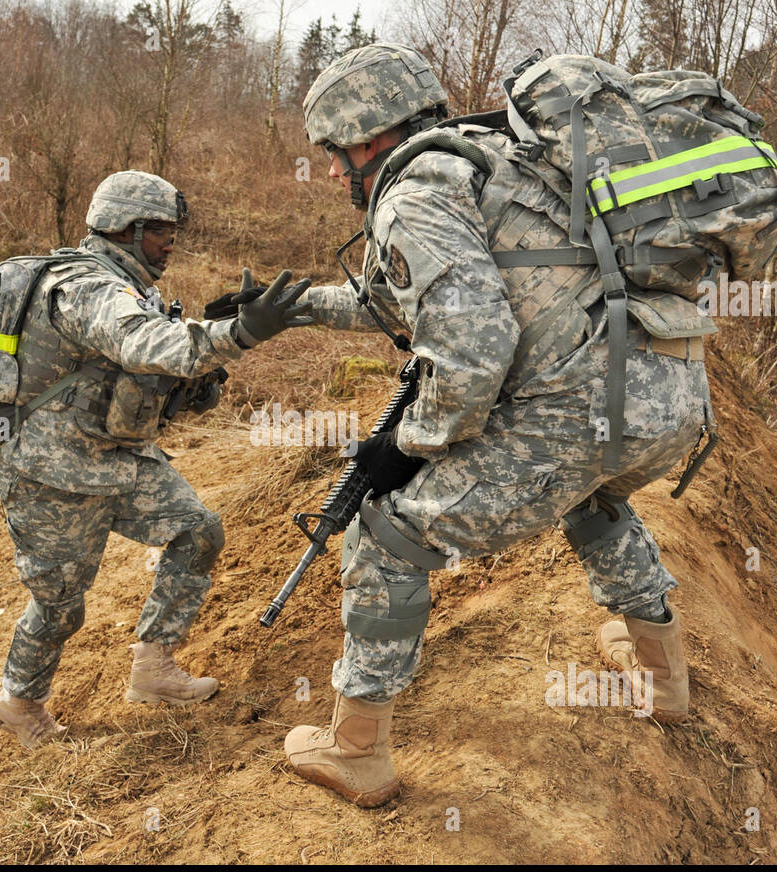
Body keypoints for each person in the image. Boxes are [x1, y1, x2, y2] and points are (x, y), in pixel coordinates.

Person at [284, 44, 713, 806]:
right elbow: (414, 300)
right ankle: (660, 674)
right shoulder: (499, 158)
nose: (335, 171)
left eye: (334, 153)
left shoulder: (412, 194)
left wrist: (409, 446)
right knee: (590, 496)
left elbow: (475, 350)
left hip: (579, 413)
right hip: (670, 396)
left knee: (385, 535)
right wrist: (297, 307)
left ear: (360, 138)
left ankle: (357, 751)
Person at [0, 170, 311, 748]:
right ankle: (20, 700)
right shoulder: (86, 288)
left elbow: (152, 380)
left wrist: (204, 359)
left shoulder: (130, 286)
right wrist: (239, 332)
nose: (170, 243)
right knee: (60, 605)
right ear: (126, 230)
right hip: (53, 474)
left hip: (120, 458)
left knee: (198, 532)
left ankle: (153, 667)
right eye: (160, 230)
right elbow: (149, 345)